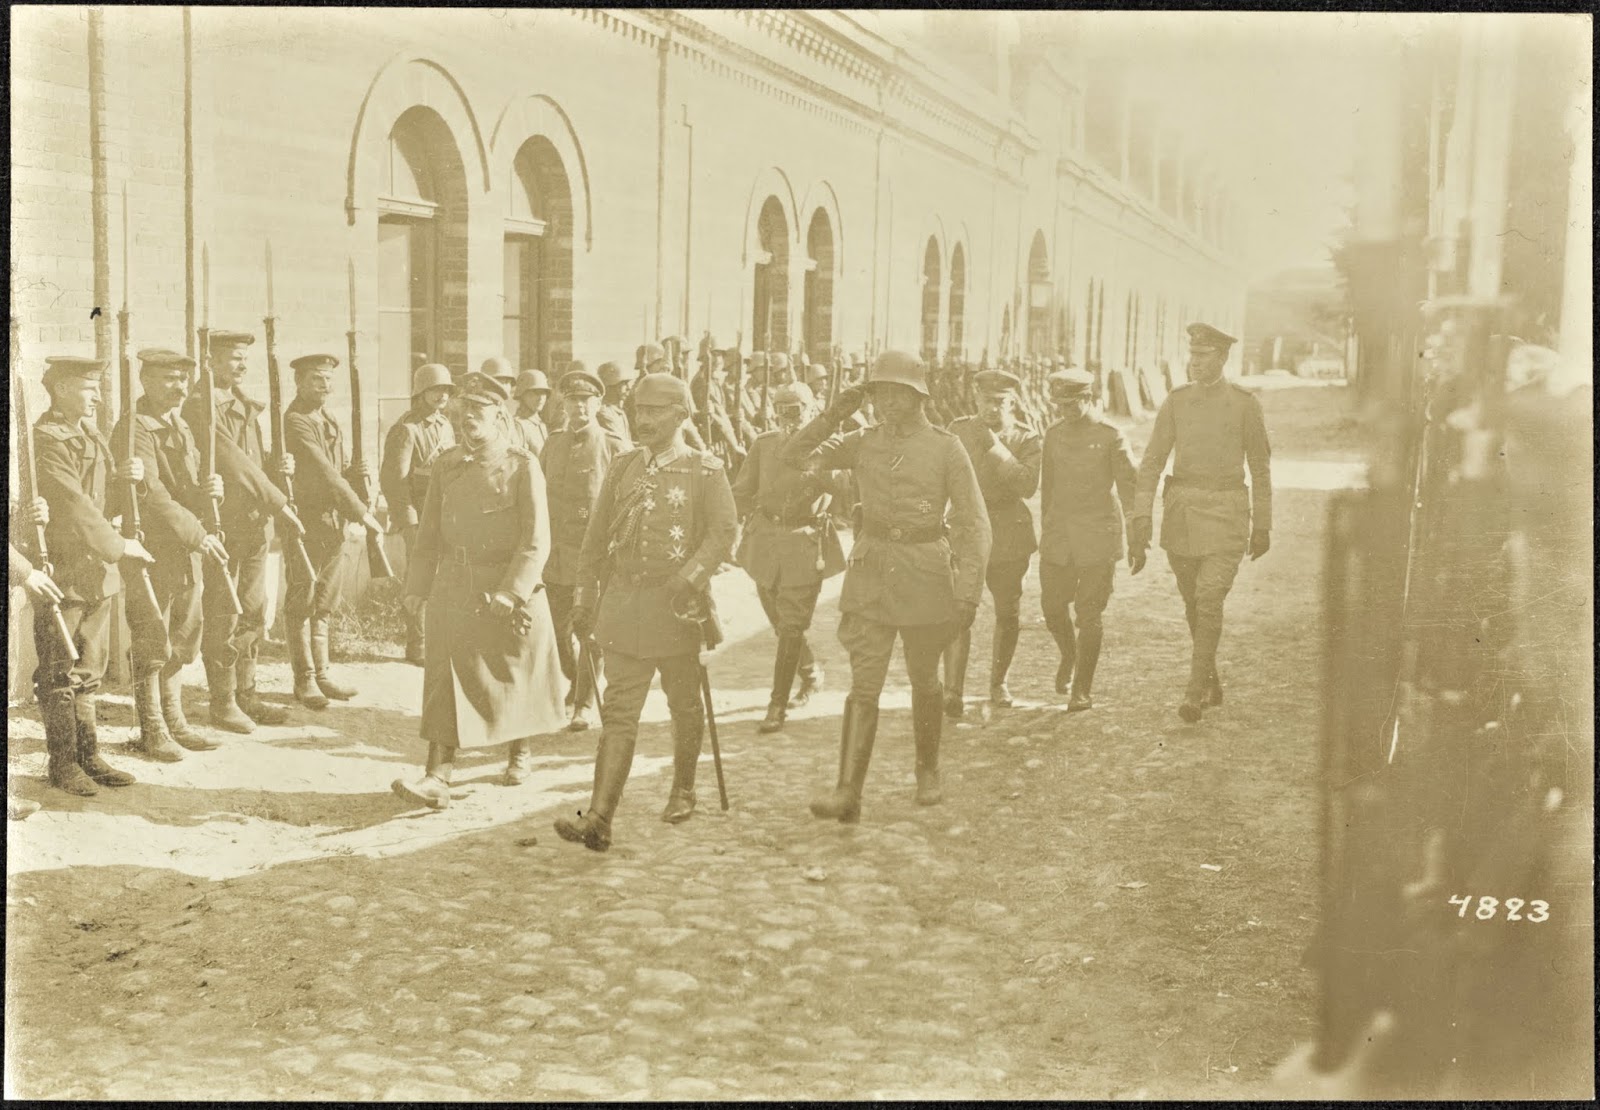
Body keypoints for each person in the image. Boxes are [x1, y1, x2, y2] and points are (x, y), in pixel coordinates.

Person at [781, 351, 991, 823]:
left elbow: (974, 523)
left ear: (919, 396)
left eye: (899, 393)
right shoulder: (861, 441)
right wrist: (836, 409)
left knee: (923, 678)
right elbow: (792, 455)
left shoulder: (946, 447)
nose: (888, 404)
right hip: (871, 572)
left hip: (926, 573)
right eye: (879, 394)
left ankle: (927, 769)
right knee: (864, 683)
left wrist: (968, 592)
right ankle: (847, 791)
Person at [553, 373, 737, 852]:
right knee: (618, 713)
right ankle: (598, 818)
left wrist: (689, 578)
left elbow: (722, 534)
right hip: (626, 607)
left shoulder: (705, 470)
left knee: (683, 704)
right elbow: (594, 544)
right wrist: (583, 601)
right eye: (639, 411)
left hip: (679, 609)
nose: (644, 420)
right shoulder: (623, 467)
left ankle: (684, 788)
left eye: (655, 412)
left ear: (680, 416)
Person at [391, 373, 567, 806]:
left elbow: (536, 539)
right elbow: (429, 532)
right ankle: (437, 775)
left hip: (504, 589)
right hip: (454, 586)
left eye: (478, 411)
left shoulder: (523, 465)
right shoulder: (446, 465)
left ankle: (519, 751)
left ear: (499, 415)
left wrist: (514, 590)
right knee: (442, 679)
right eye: (461, 410)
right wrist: (416, 587)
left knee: (513, 671)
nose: (467, 418)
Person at [26, 358, 158, 793]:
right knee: (60, 670)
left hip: (96, 574)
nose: (99, 397)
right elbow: (76, 506)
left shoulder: (92, 434)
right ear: (61, 389)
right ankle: (63, 764)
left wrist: (131, 481)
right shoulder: (46, 440)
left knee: (90, 667)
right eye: (89, 388)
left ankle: (89, 755)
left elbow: (105, 504)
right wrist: (121, 547)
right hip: (62, 573)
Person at [1130, 323, 1272, 722]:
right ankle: (1209, 676)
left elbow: (1260, 467)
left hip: (1227, 512)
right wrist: (1142, 516)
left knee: (1209, 597)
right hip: (1183, 515)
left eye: (1203, 356)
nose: (1194, 363)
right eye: (1192, 355)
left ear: (1222, 358)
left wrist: (1262, 523)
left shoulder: (1245, 404)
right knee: (1193, 601)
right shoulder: (1175, 401)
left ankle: (1194, 691)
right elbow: (1152, 461)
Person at [184, 330, 304, 732]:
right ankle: (223, 701)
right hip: (225, 524)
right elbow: (233, 462)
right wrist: (279, 501)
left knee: (253, 609)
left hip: (254, 522)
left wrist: (277, 465)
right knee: (225, 611)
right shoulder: (201, 406)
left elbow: (253, 462)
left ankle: (246, 692)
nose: (241, 365)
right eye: (233, 357)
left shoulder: (241, 405)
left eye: (243, 359)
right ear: (211, 361)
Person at [111, 348, 229, 758]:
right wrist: (198, 533)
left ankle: (175, 720)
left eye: (182, 379)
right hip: (153, 548)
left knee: (181, 634)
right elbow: (155, 496)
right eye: (168, 378)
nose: (178, 387)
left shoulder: (181, 426)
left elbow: (187, 487)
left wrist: (211, 491)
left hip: (186, 549)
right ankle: (152, 727)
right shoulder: (134, 428)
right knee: (152, 637)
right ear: (145, 381)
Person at [732, 381, 846, 733]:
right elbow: (741, 490)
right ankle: (810, 672)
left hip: (803, 544)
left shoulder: (829, 449)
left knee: (792, 625)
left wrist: (822, 468)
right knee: (782, 624)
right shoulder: (764, 445)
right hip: (764, 543)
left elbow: (844, 492)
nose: (787, 420)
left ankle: (776, 704)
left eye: (795, 411)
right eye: (781, 411)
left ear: (812, 410)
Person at [282, 353, 386, 708]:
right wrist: (359, 511)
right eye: (316, 379)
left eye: (328, 379)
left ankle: (323, 674)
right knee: (302, 600)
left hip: (331, 524)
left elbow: (337, 469)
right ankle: (304, 679)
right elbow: (323, 471)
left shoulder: (327, 418)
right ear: (298, 383)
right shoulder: (296, 420)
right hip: (306, 524)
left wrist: (357, 473)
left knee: (324, 601)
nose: (325, 386)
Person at [941, 368, 1042, 715]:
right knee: (958, 608)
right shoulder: (957, 430)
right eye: (987, 401)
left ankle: (998, 682)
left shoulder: (1026, 438)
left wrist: (994, 445)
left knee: (1007, 611)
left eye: (1000, 402)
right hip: (966, 529)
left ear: (1012, 402)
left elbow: (1027, 485)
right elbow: (940, 476)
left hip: (1008, 533)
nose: (992, 408)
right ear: (976, 398)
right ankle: (952, 689)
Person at [1038, 367, 1139, 710]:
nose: (1064, 412)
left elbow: (1129, 489)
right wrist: (1046, 534)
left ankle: (1081, 688)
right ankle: (1069, 655)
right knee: (1052, 610)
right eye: (1060, 406)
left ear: (1088, 399)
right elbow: (1048, 489)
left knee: (1089, 614)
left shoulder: (1111, 435)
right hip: (1059, 537)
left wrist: (1137, 536)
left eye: (1071, 405)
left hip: (1097, 536)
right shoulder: (1053, 435)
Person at [540, 365, 628, 734]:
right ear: (563, 403)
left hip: (593, 558)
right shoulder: (553, 443)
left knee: (589, 632)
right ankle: (576, 683)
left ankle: (585, 702)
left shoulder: (614, 447)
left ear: (598, 403)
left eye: (586, 400)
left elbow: (628, 504)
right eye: (573, 400)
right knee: (559, 632)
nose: (579, 407)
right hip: (556, 556)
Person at [379, 362, 457, 666]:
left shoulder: (445, 426)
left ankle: (438, 638)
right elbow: (394, 482)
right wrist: (408, 523)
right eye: (434, 389)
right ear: (420, 392)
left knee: (443, 577)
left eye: (445, 390)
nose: (441, 395)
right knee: (419, 578)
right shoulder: (406, 429)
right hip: (418, 515)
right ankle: (417, 644)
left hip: (443, 513)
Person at [596, 360, 636, 445]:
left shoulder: (618, 412)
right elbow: (620, 445)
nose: (628, 388)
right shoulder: (603, 413)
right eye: (624, 384)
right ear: (611, 386)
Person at [512, 369, 551, 457]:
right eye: (536, 392)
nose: (541, 398)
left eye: (544, 393)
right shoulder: (518, 425)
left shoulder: (541, 425)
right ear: (522, 394)